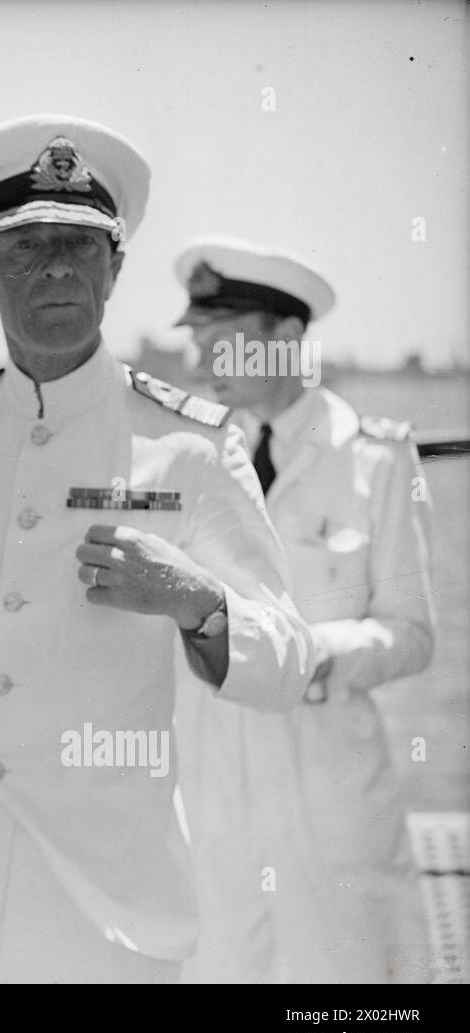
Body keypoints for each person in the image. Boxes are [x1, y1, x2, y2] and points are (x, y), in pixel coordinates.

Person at [0, 116, 314, 984]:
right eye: (25, 249)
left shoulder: (192, 446)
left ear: (116, 269)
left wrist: (193, 598)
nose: (57, 267)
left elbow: (286, 660)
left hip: (104, 922)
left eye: (81, 245)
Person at [170, 235, 435, 983]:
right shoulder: (186, 458)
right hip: (212, 783)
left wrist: (302, 655)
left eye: (219, 343)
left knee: (350, 1008)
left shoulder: (376, 459)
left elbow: (414, 635)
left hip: (327, 781)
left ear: (285, 339)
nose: (196, 367)